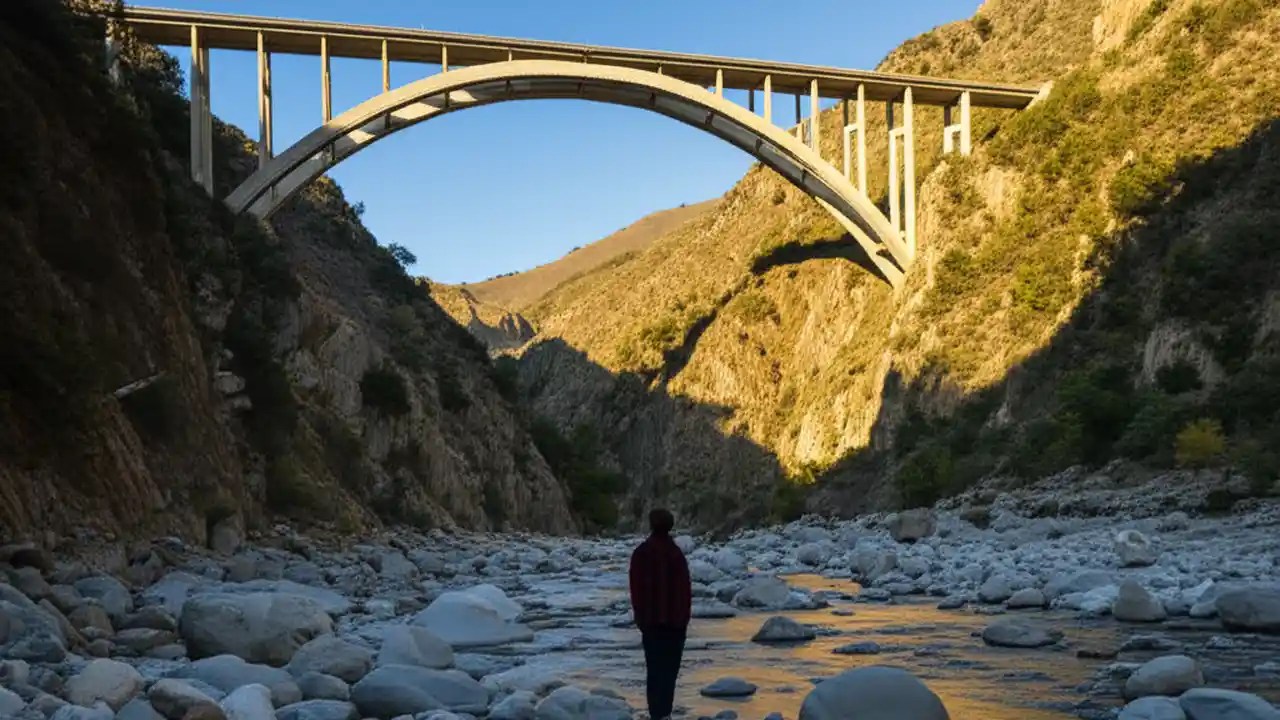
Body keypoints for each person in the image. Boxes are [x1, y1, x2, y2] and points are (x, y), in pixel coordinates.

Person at [629, 508, 692, 720]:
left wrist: (640, 618)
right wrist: (683, 620)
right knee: (670, 672)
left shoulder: (641, 553)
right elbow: (685, 591)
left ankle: (656, 713)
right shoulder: (676, 554)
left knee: (654, 670)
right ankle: (665, 712)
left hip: (651, 623)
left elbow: (635, 589)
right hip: (675, 625)